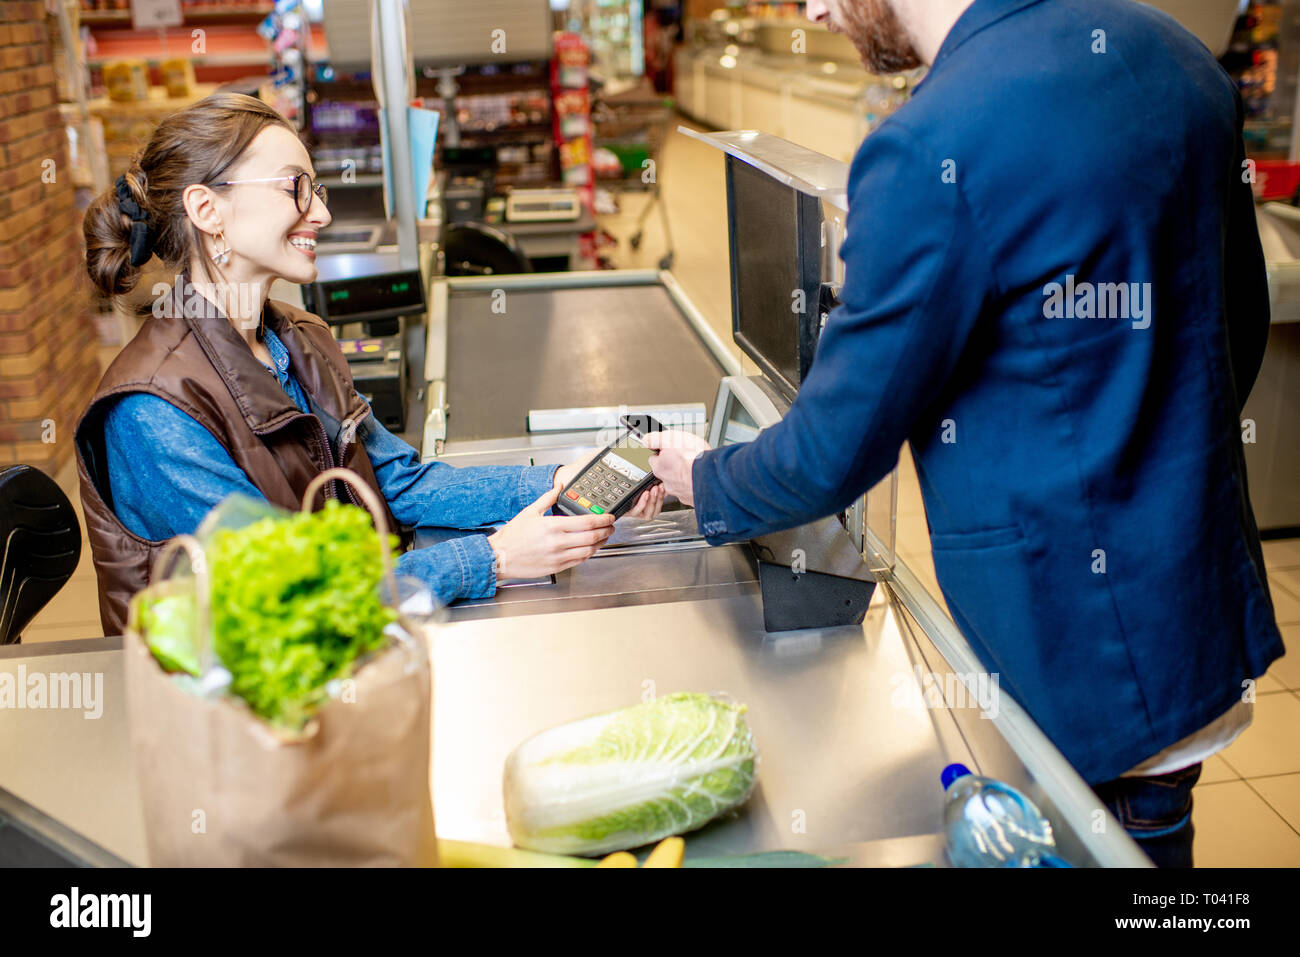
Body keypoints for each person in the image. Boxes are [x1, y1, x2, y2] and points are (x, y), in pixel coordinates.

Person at [645, 0, 1285, 867]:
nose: (817, 11)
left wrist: (706, 477)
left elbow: (834, 450)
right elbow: (1235, 328)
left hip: (1078, 656)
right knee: (1155, 836)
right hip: (1196, 616)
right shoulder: (1174, 55)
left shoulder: (930, 146)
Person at [75, 93, 665, 636]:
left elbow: (397, 482)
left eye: (318, 190)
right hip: (229, 720)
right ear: (208, 210)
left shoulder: (300, 341)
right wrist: (493, 558)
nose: (320, 215)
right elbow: (295, 600)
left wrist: (557, 481)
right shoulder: (151, 410)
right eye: (294, 188)